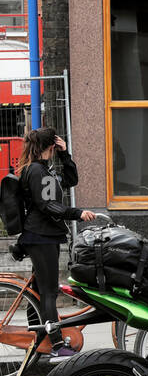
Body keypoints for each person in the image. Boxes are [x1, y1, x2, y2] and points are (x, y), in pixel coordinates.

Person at [15, 128, 96, 361]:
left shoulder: (41, 170)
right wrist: (76, 213)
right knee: (49, 292)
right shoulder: (38, 172)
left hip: (42, 236)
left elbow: (71, 180)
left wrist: (65, 155)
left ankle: (39, 337)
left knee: (39, 291)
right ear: (50, 146)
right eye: (55, 147)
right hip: (41, 236)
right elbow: (48, 205)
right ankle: (57, 344)